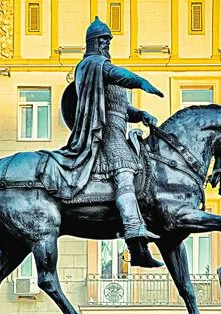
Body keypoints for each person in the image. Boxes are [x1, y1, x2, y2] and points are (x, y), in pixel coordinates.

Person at [60, 17, 166, 268]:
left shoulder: (104, 69)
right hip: (104, 133)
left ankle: (140, 245)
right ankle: (134, 233)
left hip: (120, 130)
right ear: (93, 42)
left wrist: (139, 114)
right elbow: (116, 75)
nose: (107, 43)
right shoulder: (92, 65)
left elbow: (120, 107)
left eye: (109, 40)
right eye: (103, 40)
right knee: (124, 174)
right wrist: (141, 82)